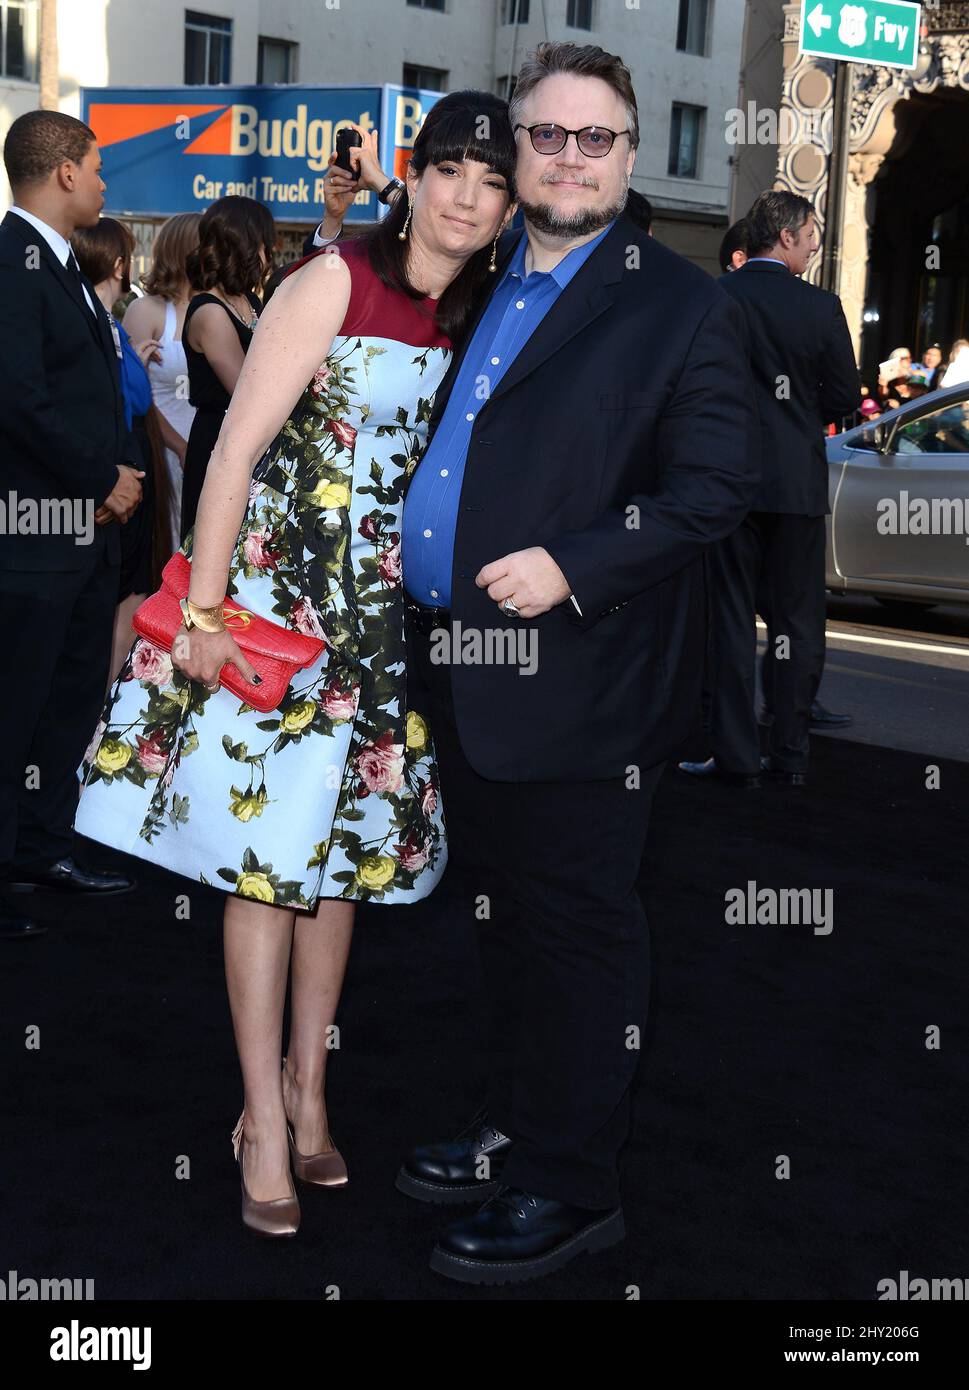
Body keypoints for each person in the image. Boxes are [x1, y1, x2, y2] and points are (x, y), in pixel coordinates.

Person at [75, 91, 517, 1236]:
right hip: (276, 611)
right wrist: (205, 608)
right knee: (265, 862)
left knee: (336, 869)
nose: (469, 197)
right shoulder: (334, 281)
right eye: (451, 171)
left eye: (493, 181)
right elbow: (234, 449)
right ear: (412, 179)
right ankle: (256, 1120)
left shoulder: (474, 313)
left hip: (376, 630)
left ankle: (306, 1088)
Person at [393, 41, 758, 1284]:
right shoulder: (488, 274)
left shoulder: (679, 301)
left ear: (630, 153)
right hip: (467, 675)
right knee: (506, 931)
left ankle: (574, 1182)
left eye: (592, 138)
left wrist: (575, 564)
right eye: (542, 137)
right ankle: (519, 1125)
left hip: (588, 689)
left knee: (581, 937)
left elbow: (714, 489)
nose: (565, 157)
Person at [0, 111, 144, 942]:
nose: (101, 183)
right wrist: (101, 479)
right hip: (33, 541)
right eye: (95, 168)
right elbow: (18, 399)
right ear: (60, 174)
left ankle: (41, 848)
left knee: (62, 703)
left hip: (80, 537)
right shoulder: (14, 266)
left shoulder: (54, 268)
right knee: (14, 708)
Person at [679, 190, 859, 790]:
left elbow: (690, 393)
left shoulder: (714, 299)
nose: (814, 243)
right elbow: (841, 399)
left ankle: (735, 755)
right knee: (798, 624)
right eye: (810, 233)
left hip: (727, 484)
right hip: (797, 487)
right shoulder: (822, 307)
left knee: (729, 621)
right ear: (786, 235)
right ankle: (792, 753)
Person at [72, 216, 172, 684]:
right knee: (126, 594)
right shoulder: (96, 324)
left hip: (121, 472)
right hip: (117, 476)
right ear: (118, 264)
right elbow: (128, 397)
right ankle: (102, 700)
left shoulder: (108, 325)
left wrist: (134, 352)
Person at [179, 197, 275, 539]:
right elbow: (245, 389)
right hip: (218, 442)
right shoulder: (210, 311)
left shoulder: (249, 300)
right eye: (265, 241)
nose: (270, 251)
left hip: (248, 442)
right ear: (248, 243)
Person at [123, 212, 201, 550]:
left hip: (209, 454)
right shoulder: (147, 310)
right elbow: (133, 394)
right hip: (163, 455)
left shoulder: (215, 306)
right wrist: (181, 447)